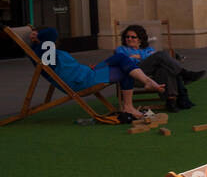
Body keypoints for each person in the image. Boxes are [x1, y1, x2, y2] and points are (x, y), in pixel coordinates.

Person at [27, 26, 169, 120]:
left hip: (87, 73)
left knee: (122, 61)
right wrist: (38, 38)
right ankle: (139, 93)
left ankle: (134, 100)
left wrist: (37, 38)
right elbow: (52, 32)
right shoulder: (45, 54)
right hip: (82, 81)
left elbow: (50, 36)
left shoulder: (45, 52)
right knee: (123, 63)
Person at [110, 24, 204, 112]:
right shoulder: (121, 49)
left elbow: (150, 59)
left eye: (133, 37)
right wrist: (142, 57)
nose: (129, 39)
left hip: (152, 77)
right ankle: (184, 74)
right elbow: (125, 62)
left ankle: (171, 101)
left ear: (140, 39)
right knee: (161, 55)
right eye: (127, 37)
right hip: (134, 75)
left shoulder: (149, 49)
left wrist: (137, 57)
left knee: (163, 68)